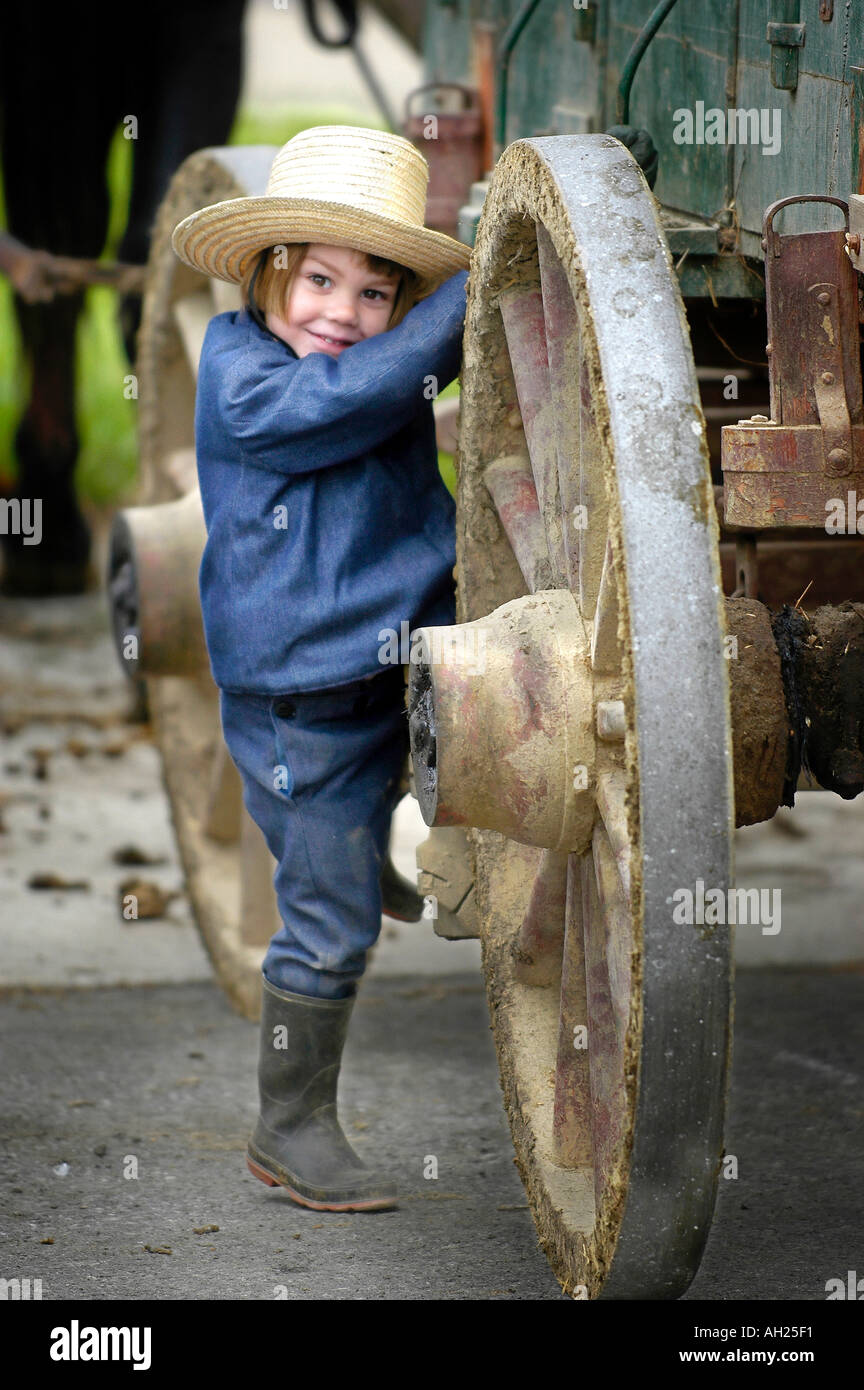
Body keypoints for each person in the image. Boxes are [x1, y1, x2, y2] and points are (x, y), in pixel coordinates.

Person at [171, 126, 471, 1211]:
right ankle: (288, 1126)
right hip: (298, 704)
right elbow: (339, 404)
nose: (342, 314)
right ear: (264, 274)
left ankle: (385, 833)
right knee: (328, 918)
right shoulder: (248, 377)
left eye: (377, 294)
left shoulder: (361, 370)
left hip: (399, 660)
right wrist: (464, 302)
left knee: (427, 744)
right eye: (318, 280)